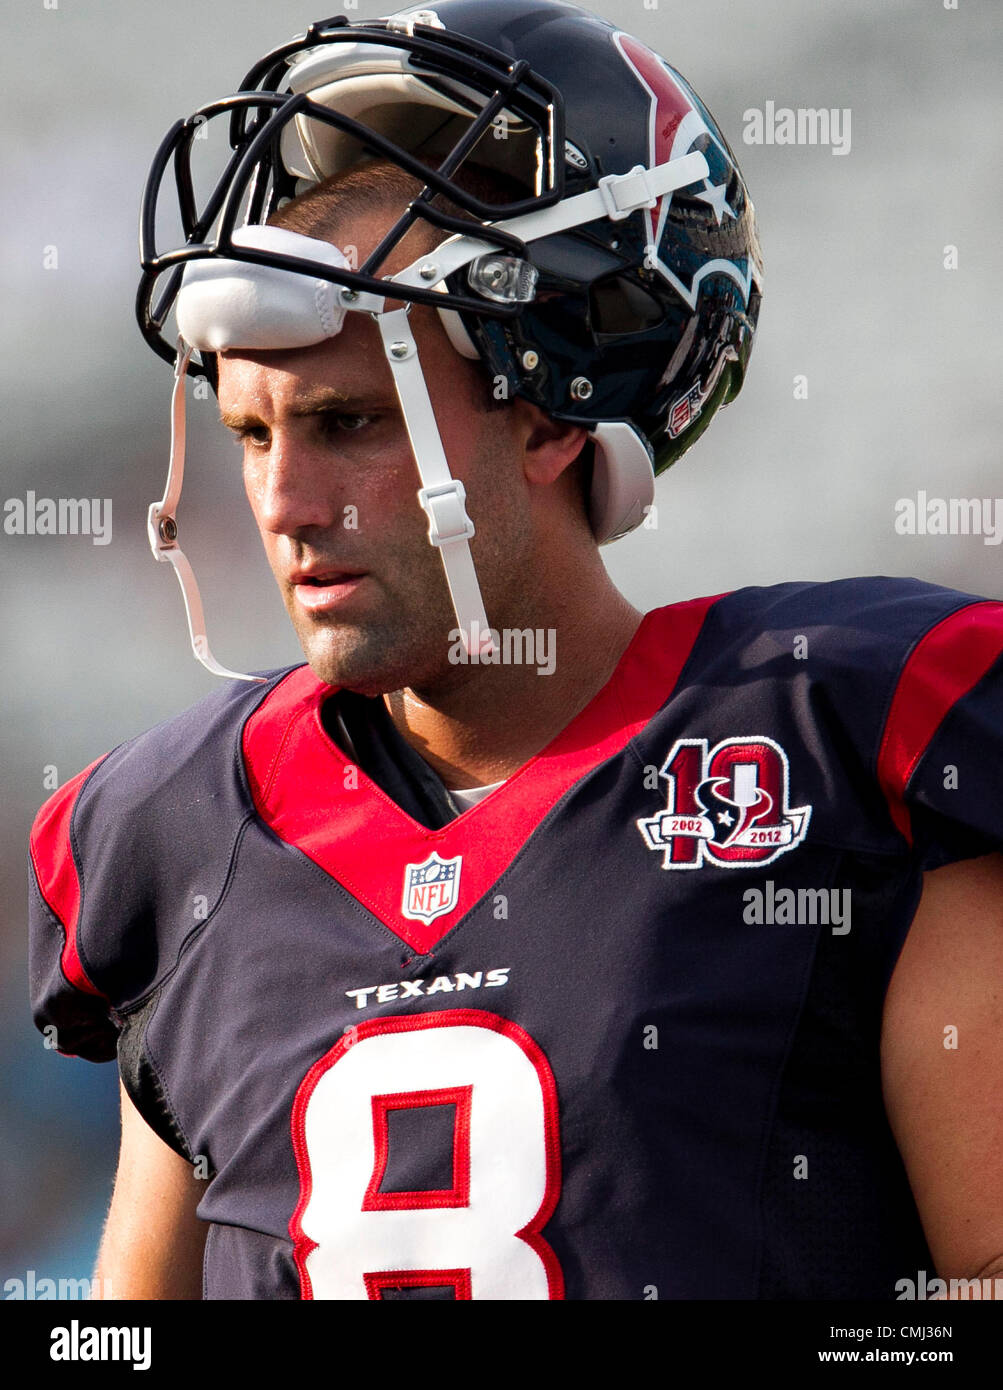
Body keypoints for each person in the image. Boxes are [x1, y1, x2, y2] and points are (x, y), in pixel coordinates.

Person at [28, 0, 1003, 1301]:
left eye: (349, 420)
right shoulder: (181, 829)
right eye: (256, 434)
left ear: (552, 415)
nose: (283, 500)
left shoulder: (843, 738)